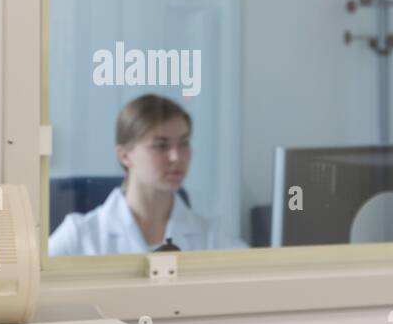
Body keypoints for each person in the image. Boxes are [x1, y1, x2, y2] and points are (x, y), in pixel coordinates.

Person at [49, 94, 246, 256]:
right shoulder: (78, 237)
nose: (176, 157)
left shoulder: (214, 238)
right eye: (160, 145)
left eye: (184, 143)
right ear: (125, 156)